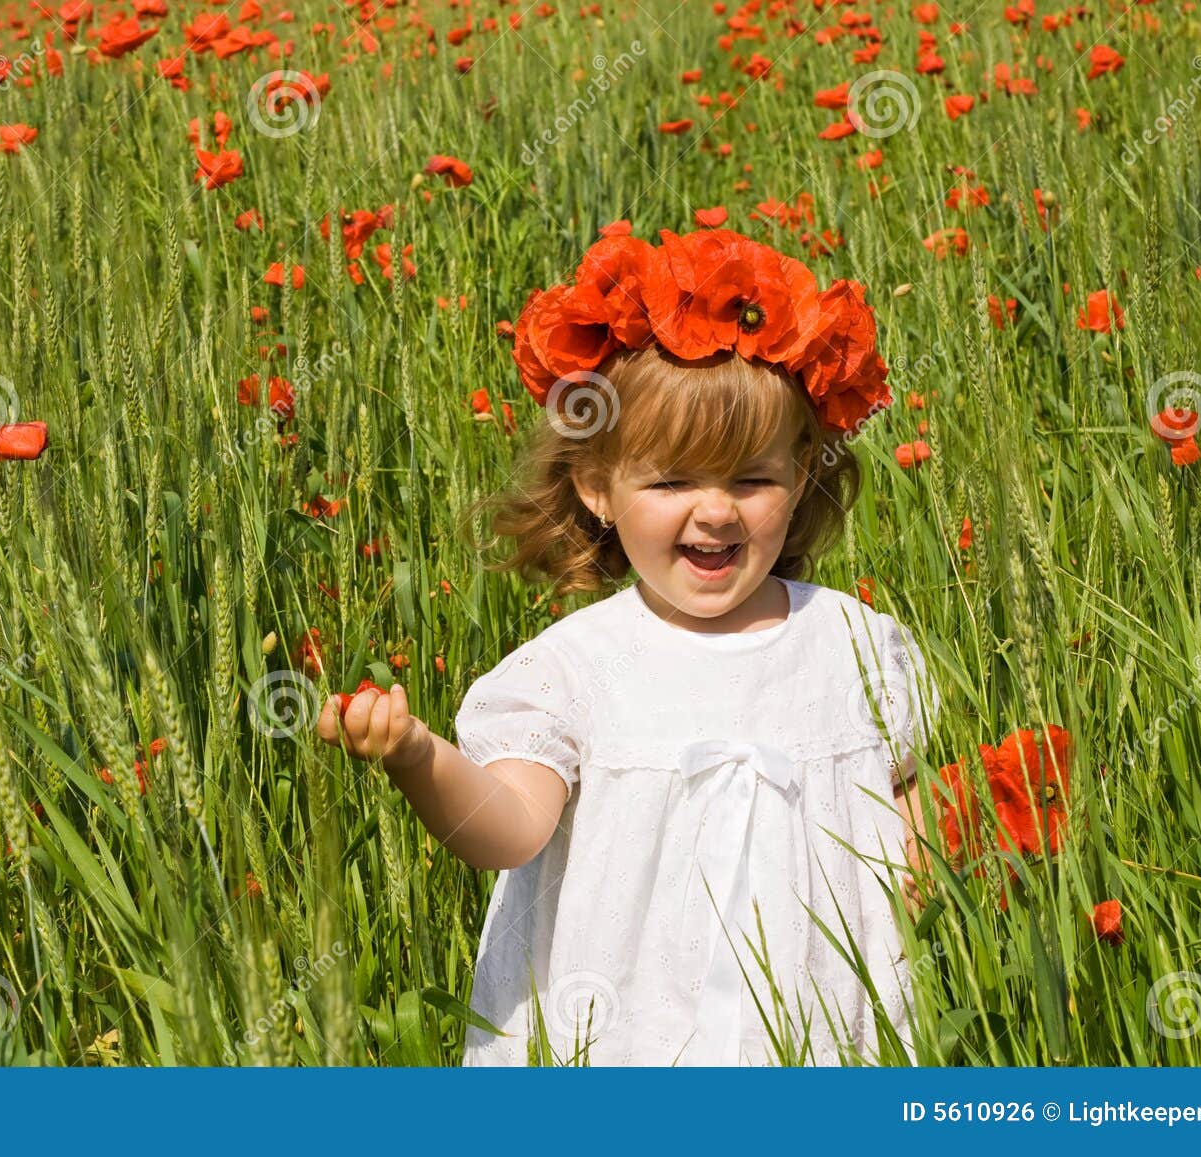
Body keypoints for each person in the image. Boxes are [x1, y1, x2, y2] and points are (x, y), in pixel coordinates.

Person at [317, 226, 941, 1067]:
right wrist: (416, 756)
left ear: (802, 473)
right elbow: (510, 830)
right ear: (598, 487)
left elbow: (901, 807)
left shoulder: (855, 645)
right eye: (673, 481)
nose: (716, 512)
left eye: (751, 479)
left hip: (821, 1032)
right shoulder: (574, 670)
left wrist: (953, 852)